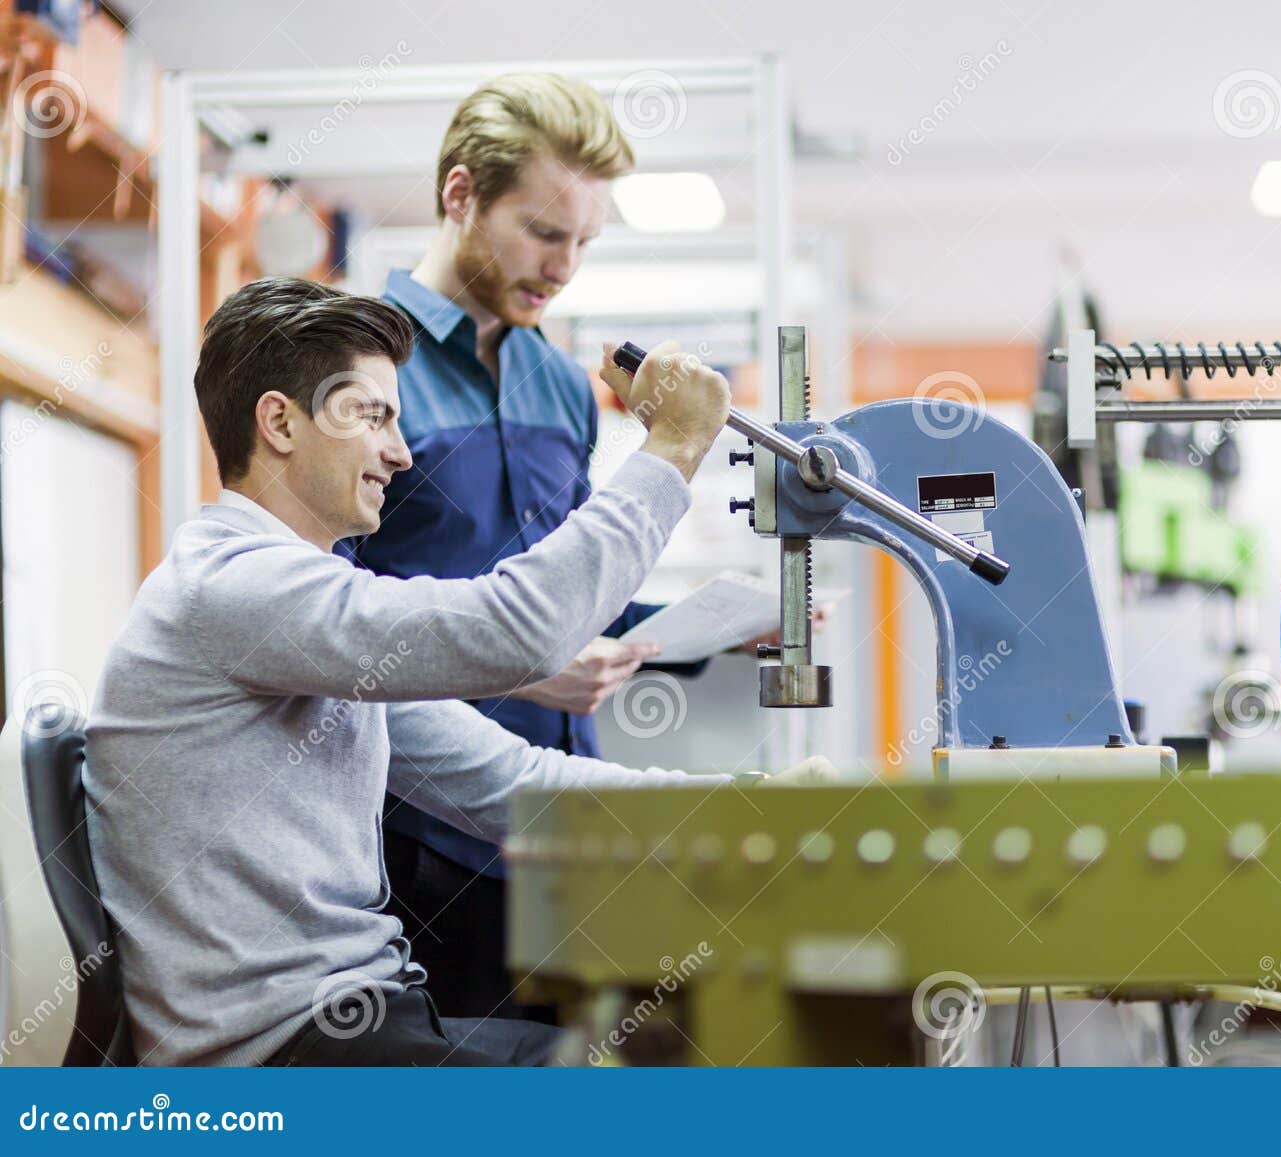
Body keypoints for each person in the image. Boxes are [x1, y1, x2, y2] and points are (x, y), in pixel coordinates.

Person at [84, 277, 830, 1067]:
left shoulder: (299, 617)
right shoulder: (236, 587)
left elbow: (514, 786)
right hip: (288, 1056)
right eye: (374, 417)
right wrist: (672, 451)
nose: (401, 453)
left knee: (677, 1054)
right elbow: (520, 630)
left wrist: (757, 807)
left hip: (363, 1019)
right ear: (279, 422)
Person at [342, 72, 787, 1020]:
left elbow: (578, 592)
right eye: (544, 233)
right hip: (421, 830)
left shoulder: (561, 384)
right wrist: (519, 670)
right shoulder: (363, 367)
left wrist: (710, 631)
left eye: (584, 240)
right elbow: (328, 635)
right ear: (460, 195)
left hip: (567, 824)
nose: (565, 264)